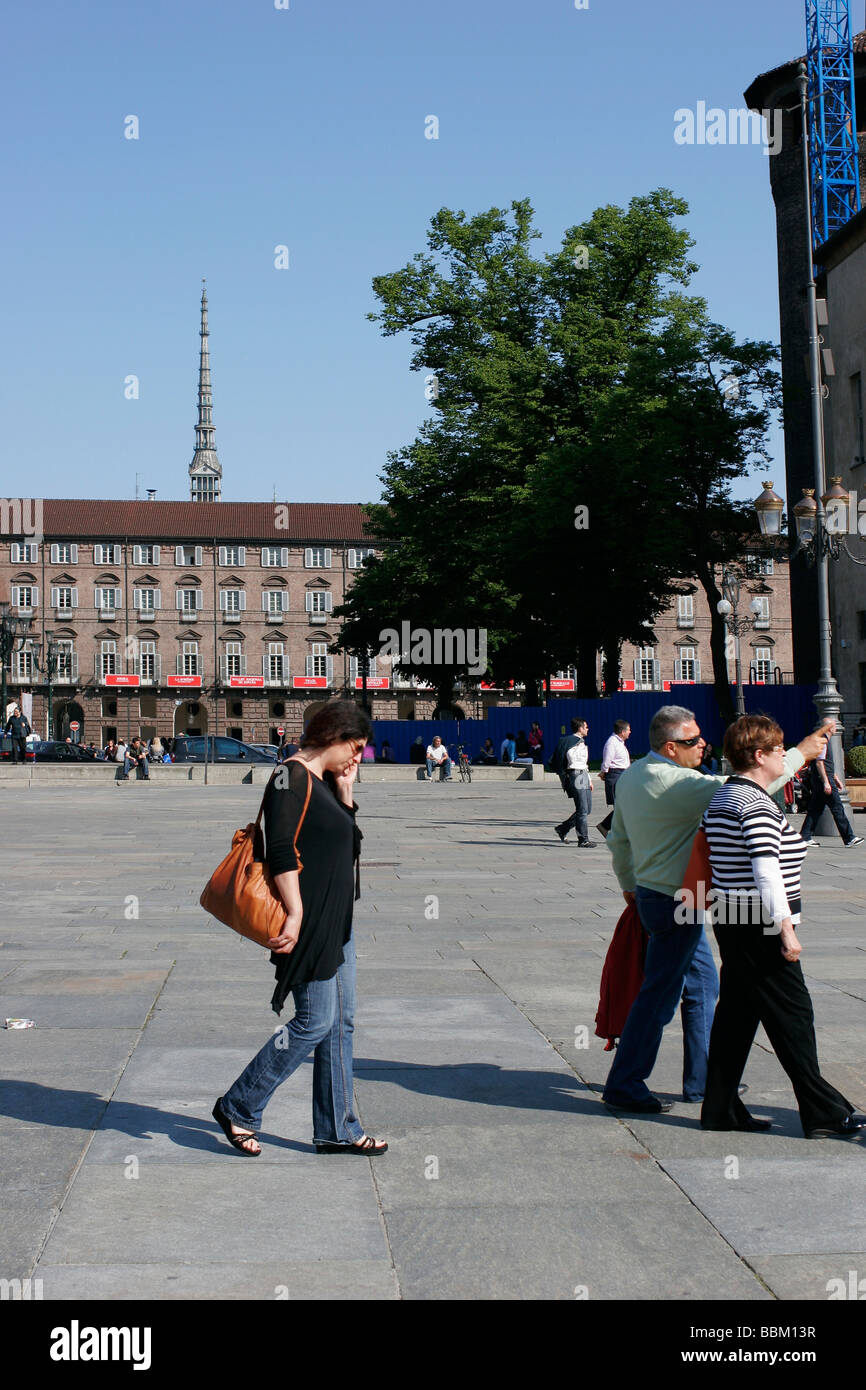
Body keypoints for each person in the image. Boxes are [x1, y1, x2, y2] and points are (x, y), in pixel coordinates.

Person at [602, 705, 833, 1114]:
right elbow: (746, 785)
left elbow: (618, 840)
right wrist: (802, 751)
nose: (703, 744)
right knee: (660, 996)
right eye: (693, 741)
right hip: (678, 901)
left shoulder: (634, 775)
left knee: (701, 987)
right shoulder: (678, 783)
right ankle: (628, 1083)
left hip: (655, 895)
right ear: (671, 747)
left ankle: (703, 1083)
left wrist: (629, 886)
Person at [213, 700, 387, 1158]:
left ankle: (337, 1128)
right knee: (314, 1021)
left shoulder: (325, 783)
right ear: (333, 735)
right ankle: (239, 1105)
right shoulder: (289, 775)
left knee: (340, 1024)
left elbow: (347, 845)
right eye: (355, 747)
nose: (357, 757)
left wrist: (346, 795)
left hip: (336, 921)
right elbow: (284, 850)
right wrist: (293, 912)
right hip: (308, 922)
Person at [700, 715, 862, 1138]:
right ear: (759, 756)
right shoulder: (752, 804)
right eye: (777, 750)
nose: (782, 757)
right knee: (793, 1017)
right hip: (760, 925)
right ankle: (824, 1113)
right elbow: (765, 872)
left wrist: (813, 744)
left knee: (737, 1017)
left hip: (734, 919)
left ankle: (719, 1108)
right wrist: (786, 930)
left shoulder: (726, 797)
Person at [799, 723, 864, 848]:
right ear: (829, 728)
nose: (836, 727)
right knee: (837, 807)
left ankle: (805, 836)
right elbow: (819, 763)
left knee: (815, 809)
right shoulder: (823, 741)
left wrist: (835, 778)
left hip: (823, 779)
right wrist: (826, 782)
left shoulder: (824, 741)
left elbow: (826, 763)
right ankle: (849, 837)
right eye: (834, 725)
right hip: (823, 779)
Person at [554, 718, 596, 848]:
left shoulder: (581, 742)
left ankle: (563, 828)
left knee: (587, 809)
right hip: (576, 774)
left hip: (583, 774)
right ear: (580, 728)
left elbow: (584, 763)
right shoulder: (570, 741)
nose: (588, 729)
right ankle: (583, 839)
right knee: (582, 809)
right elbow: (570, 761)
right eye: (586, 727)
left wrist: (589, 779)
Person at [600, 720, 631, 805]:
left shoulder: (619, 742)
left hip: (622, 773)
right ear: (622, 732)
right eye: (628, 730)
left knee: (622, 803)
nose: (630, 732)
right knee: (619, 803)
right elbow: (607, 759)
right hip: (615, 774)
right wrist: (603, 772)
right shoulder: (612, 742)